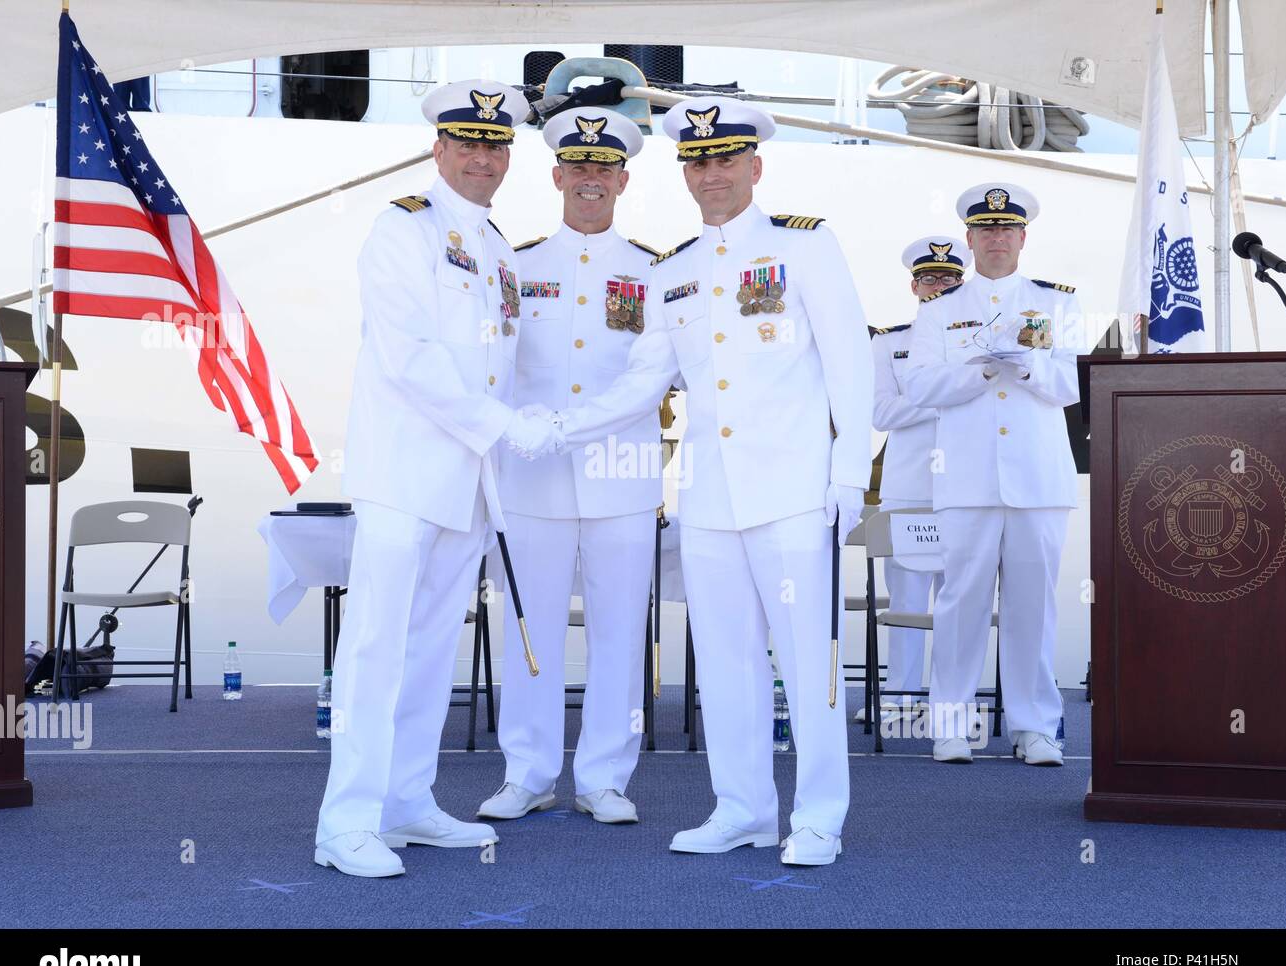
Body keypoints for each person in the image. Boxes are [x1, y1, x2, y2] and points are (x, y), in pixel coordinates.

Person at [520, 97, 873, 866]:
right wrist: (556, 427)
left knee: (808, 661)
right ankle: (742, 808)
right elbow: (644, 383)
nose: (710, 175)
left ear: (755, 166)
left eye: (724, 160)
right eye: (697, 162)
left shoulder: (805, 247)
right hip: (711, 497)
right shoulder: (672, 271)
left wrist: (850, 474)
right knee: (726, 660)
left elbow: (852, 364)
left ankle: (818, 816)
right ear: (685, 172)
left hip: (793, 493)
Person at [314, 80, 561, 878]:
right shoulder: (402, 230)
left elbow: (502, 368)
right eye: (469, 144)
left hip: (469, 485)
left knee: (427, 654)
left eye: (497, 147)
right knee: (375, 650)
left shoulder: (495, 248)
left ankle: (405, 801)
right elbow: (410, 359)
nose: (483, 158)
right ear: (440, 148)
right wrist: (503, 427)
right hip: (403, 473)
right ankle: (345, 822)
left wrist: (527, 425)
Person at [477, 106, 660, 825]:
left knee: (619, 634)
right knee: (530, 629)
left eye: (604, 169)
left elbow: (650, 379)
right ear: (556, 175)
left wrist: (562, 427)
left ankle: (605, 778)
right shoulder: (515, 266)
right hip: (532, 479)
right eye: (578, 167)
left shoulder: (654, 270)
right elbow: (493, 363)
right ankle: (527, 772)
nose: (591, 179)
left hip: (623, 478)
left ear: (622, 179)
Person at [904, 182, 1082, 766]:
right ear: (970, 238)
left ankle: (1034, 726)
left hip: (1037, 479)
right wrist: (981, 372)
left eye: (1007, 229)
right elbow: (923, 386)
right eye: (986, 229)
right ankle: (952, 725)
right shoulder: (941, 310)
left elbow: (1070, 386)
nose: (997, 238)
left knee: (1033, 604)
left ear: (1023, 237)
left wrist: (1026, 365)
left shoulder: (1058, 303)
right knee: (962, 604)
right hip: (967, 478)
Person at [859, 236, 969, 723]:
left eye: (948, 279)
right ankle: (901, 700)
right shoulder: (889, 342)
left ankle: (950, 703)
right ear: (914, 285)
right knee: (906, 602)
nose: (938, 286)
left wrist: (933, 397)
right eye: (930, 279)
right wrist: (947, 395)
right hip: (907, 490)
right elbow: (881, 413)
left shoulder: (976, 337)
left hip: (968, 489)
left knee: (960, 602)